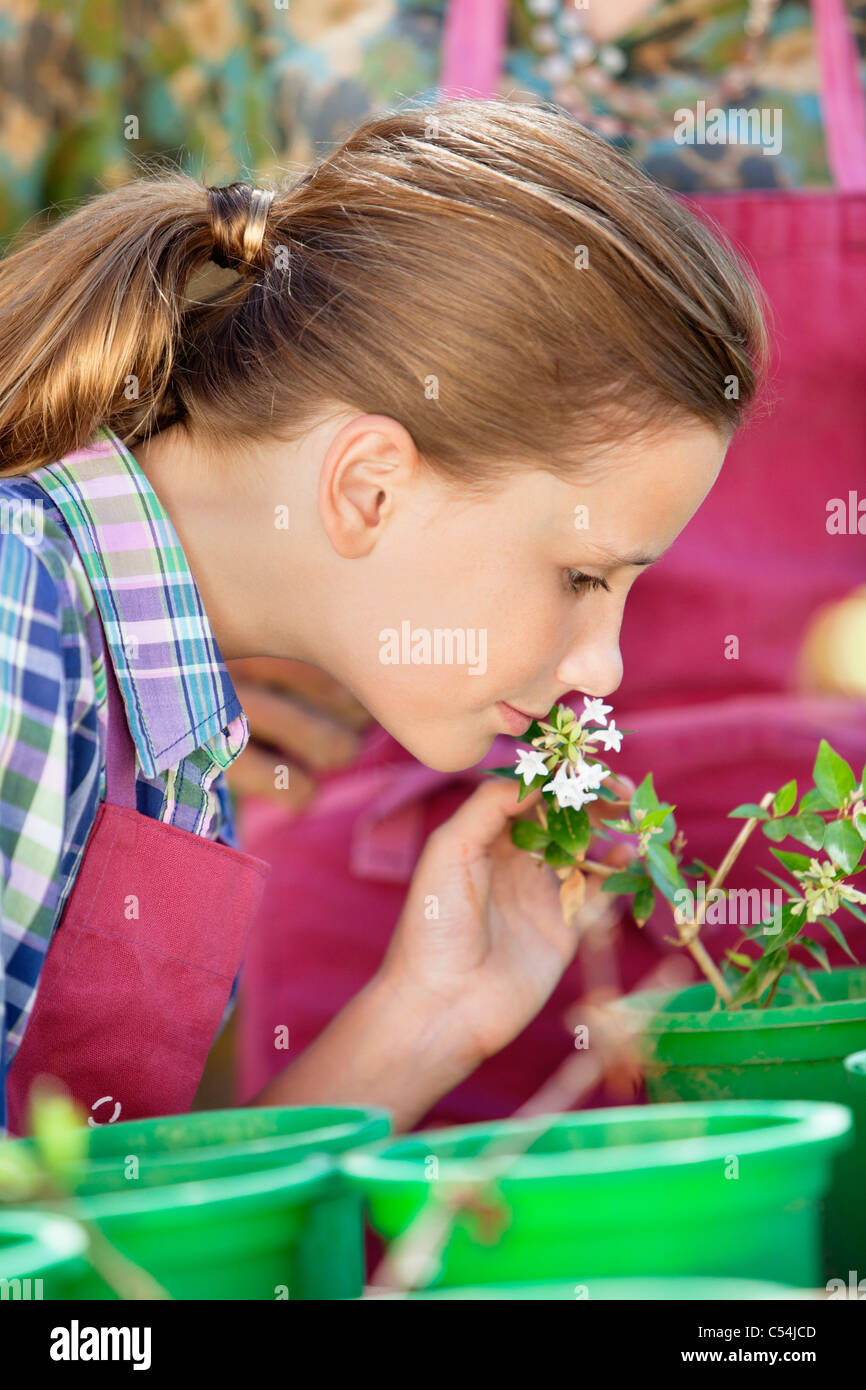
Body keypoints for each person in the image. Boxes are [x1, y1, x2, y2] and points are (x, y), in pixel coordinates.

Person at [0, 98, 765, 1136]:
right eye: (584, 577)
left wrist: (425, 1018)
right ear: (368, 488)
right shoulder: (22, 616)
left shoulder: (179, 739)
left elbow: (121, 1257)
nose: (603, 671)